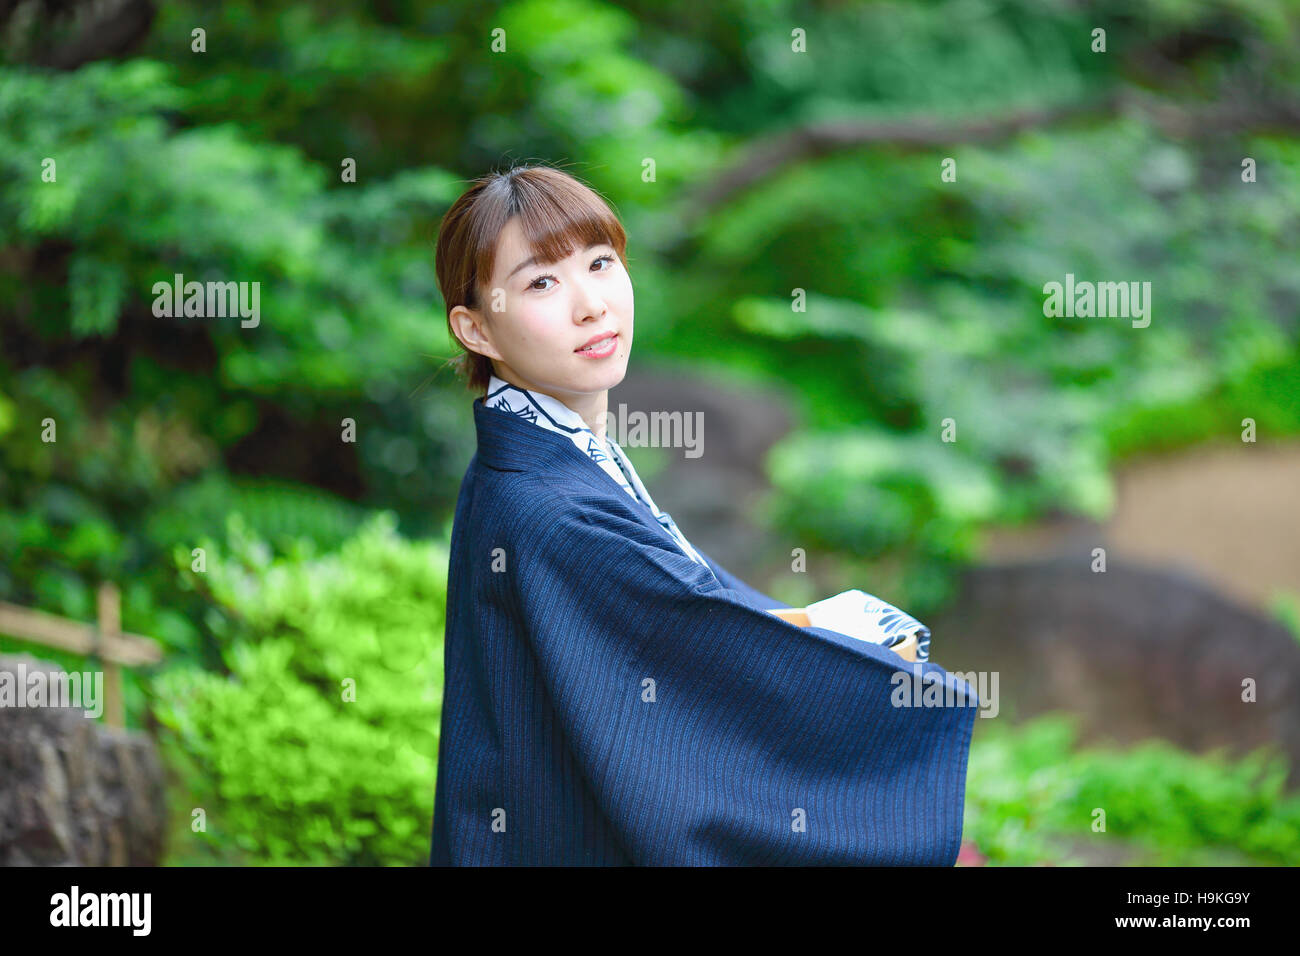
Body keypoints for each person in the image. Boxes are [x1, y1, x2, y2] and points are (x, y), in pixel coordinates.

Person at [429, 162, 978, 866]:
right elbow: (688, 654)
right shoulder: (547, 506)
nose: (590, 304)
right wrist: (866, 663)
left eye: (600, 263)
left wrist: (826, 628)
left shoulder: (549, 457)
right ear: (476, 329)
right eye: (541, 282)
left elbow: (688, 607)